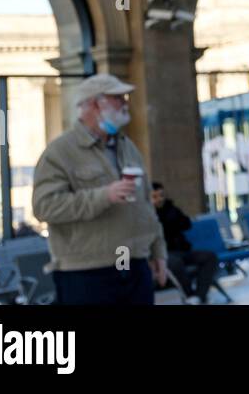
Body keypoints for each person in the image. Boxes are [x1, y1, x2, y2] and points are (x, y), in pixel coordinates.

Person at [31, 73, 168, 304]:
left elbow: (145, 204)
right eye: (118, 98)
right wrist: (104, 196)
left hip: (129, 262)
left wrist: (158, 252)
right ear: (95, 104)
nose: (125, 103)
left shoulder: (127, 146)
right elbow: (45, 207)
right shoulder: (60, 152)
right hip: (87, 272)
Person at [151, 182, 219, 303]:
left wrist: (172, 221)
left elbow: (186, 224)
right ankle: (190, 295)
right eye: (155, 197)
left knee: (210, 257)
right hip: (164, 254)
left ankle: (200, 295)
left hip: (182, 250)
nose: (159, 199)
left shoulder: (171, 209)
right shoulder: (147, 215)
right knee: (175, 263)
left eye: (161, 195)